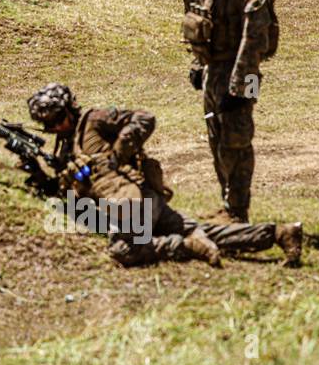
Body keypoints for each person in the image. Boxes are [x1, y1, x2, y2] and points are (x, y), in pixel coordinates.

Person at [26, 83, 303, 268]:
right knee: (207, 232)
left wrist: (117, 155)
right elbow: (64, 194)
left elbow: (145, 118)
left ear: (69, 108)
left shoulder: (95, 120)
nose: (54, 127)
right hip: (136, 207)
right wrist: (37, 173)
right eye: (47, 124)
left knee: (123, 250)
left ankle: (184, 246)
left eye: (57, 118)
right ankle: (278, 234)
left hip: (136, 204)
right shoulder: (65, 146)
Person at [184, 0, 277, 223]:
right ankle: (227, 204)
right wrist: (199, 66)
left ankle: (238, 210)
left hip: (243, 78)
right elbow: (205, 23)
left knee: (236, 143)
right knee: (216, 140)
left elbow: (254, 46)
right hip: (214, 73)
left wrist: (239, 92)